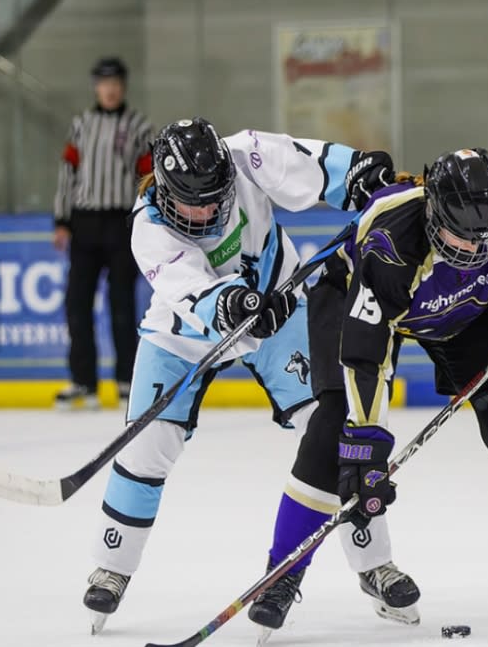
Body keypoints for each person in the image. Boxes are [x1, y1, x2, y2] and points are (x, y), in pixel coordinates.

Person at [248, 148, 488, 636]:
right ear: (433, 214)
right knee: (335, 428)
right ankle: (282, 573)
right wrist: (366, 444)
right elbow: (367, 354)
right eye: (459, 236)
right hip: (357, 299)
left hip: (460, 311)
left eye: (484, 239)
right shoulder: (390, 239)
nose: (472, 250)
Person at [81, 117, 406, 634]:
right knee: (147, 446)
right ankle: (112, 566)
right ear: (165, 192)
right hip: (182, 333)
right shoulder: (147, 226)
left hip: (281, 311)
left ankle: (374, 563)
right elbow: (193, 289)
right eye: (193, 202)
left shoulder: (245, 155)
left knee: (333, 433)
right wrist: (236, 304)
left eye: (215, 197)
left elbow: (313, 165)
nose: (207, 210)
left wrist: (359, 175)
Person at [52, 57, 153, 410]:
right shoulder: (81, 124)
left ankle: (126, 379)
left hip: (121, 223)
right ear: (96, 86)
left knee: (122, 304)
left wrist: (147, 220)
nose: (109, 89)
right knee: (77, 304)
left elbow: (148, 178)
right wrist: (61, 221)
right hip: (84, 223)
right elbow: (69, 173)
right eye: (103, 82)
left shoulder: (139, 126)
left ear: (123, 86)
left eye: (115, 82)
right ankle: (84, 381)